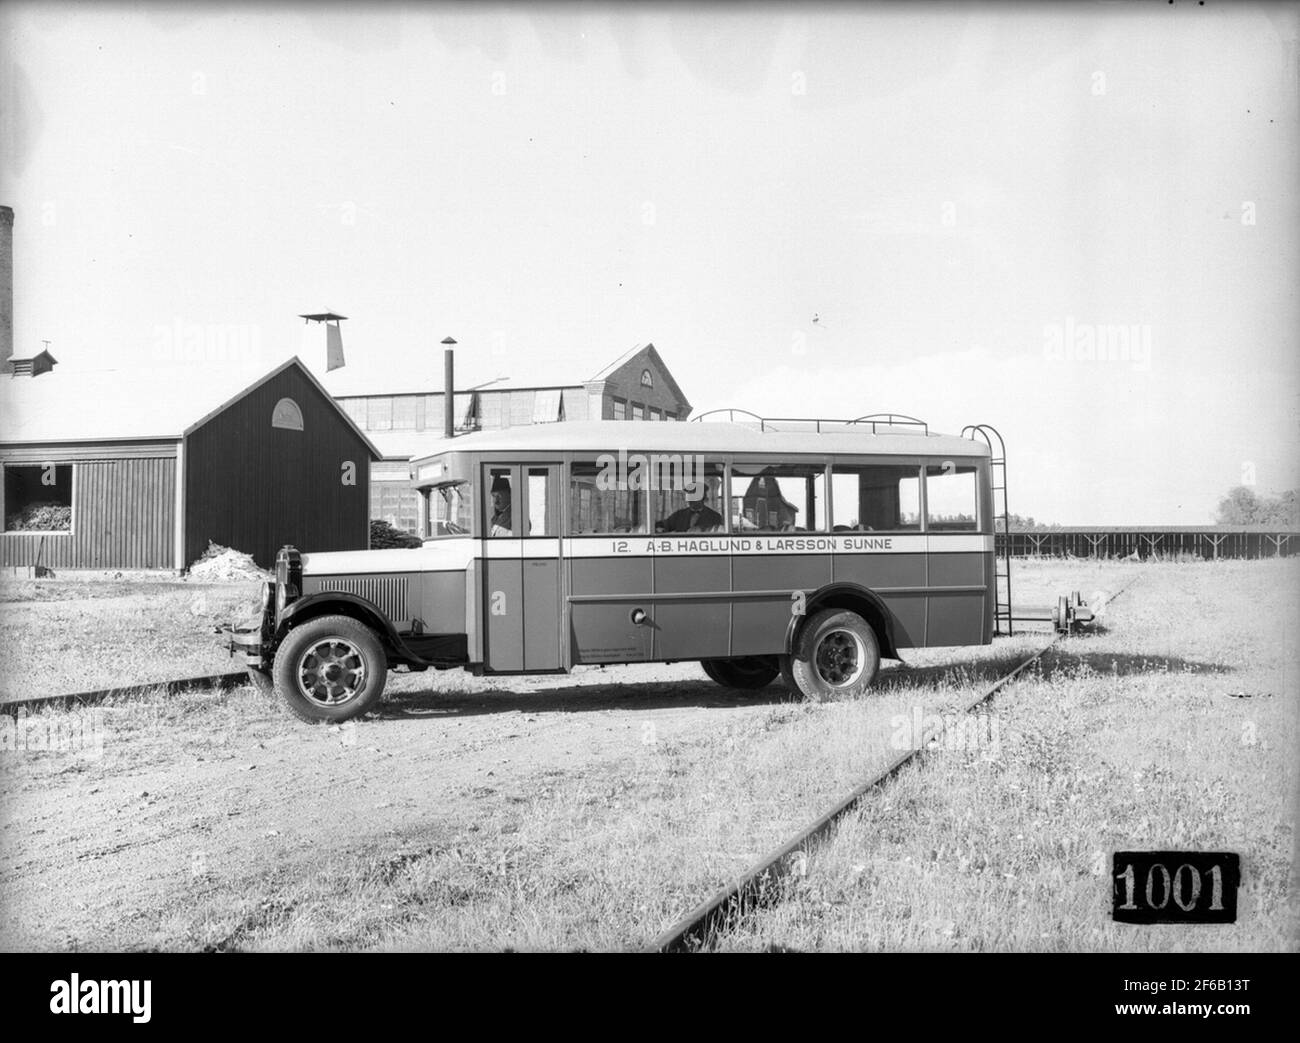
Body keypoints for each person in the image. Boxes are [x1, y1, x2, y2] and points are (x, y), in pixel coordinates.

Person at [658, 486, 723, 533]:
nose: (690, 499)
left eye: (694, 496)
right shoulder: (679, 515)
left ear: (703, 498)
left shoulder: (715, 517)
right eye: (689, 496)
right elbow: (665, 525)